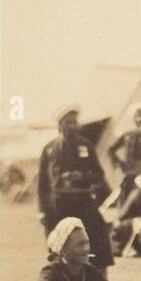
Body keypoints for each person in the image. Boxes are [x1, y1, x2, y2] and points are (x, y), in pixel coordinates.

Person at [37, 105, 115, 271]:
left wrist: (82, 177)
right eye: (68, 122)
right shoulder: (49, 149)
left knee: (97, 240)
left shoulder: (85, 146)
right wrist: (42, 210)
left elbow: (99, 175)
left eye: (74, 122)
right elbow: (43, 184)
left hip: (83, 200)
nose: (72, 125)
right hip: (58, 204)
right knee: (58, 245)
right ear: (60, 125)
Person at [106, 104, 141, 209]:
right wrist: (119, 165)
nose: (139, 119)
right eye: (137, 116)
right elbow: (111, 150)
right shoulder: (127, 136)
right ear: (133, 119)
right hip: (132, 172)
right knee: (130, 200)